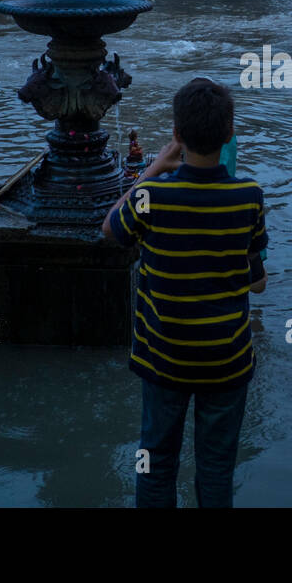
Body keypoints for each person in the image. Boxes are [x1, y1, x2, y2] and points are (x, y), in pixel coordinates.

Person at [102, 78, 269, 508]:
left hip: (163, 357)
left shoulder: (152, 196)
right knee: (216, 467)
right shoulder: (248, 196)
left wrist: (155, 167)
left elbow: (109, 229)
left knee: (154, 463)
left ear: (177, 135)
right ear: (230, 133)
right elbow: (255, 276)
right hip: (227, 359)